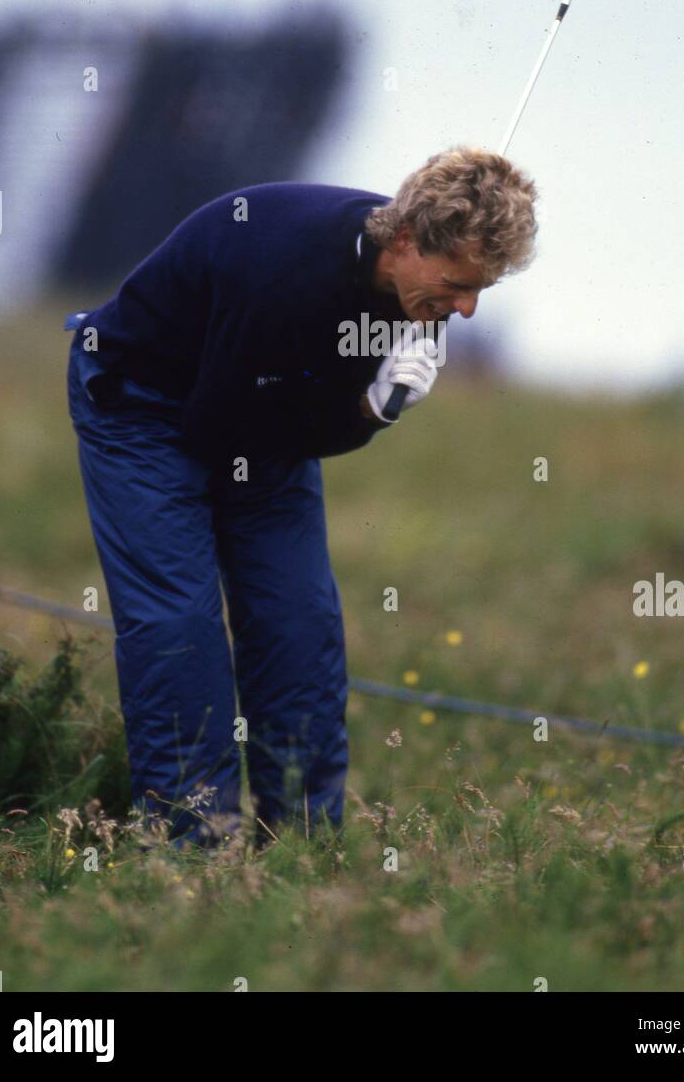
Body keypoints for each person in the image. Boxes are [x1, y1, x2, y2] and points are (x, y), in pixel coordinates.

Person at [64, 145, 536, 849]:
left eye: (481, 290)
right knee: (179, 625)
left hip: (263, 412)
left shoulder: (415, 279)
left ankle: (301, 843)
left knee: (297, 623)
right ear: (404, 239)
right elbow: (221, 432)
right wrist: (367, 414)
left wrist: (373, 390)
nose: (465, 309)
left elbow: (272, 426)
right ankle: (195, 847)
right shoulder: (284, 272)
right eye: (457, 284)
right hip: (144, 405)